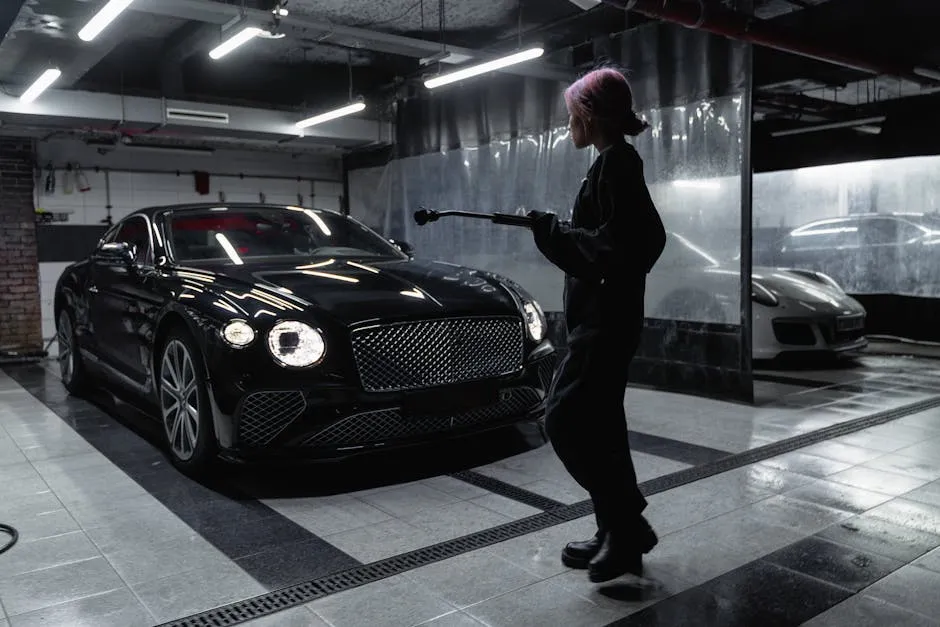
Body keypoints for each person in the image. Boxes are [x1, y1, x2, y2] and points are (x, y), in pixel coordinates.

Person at [527, 67, 667, 583]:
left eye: (570, 117)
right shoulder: (611, 165)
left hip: (604, 325)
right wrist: (561, 231)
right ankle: (617, 529)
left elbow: (627, 245)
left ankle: (625, 527)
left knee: (562, 420)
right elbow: (614, 238)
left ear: (588, 115)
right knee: (604, 428)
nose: (569, 126)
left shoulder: (617, 166)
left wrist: (555, 240)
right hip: (604, 319)